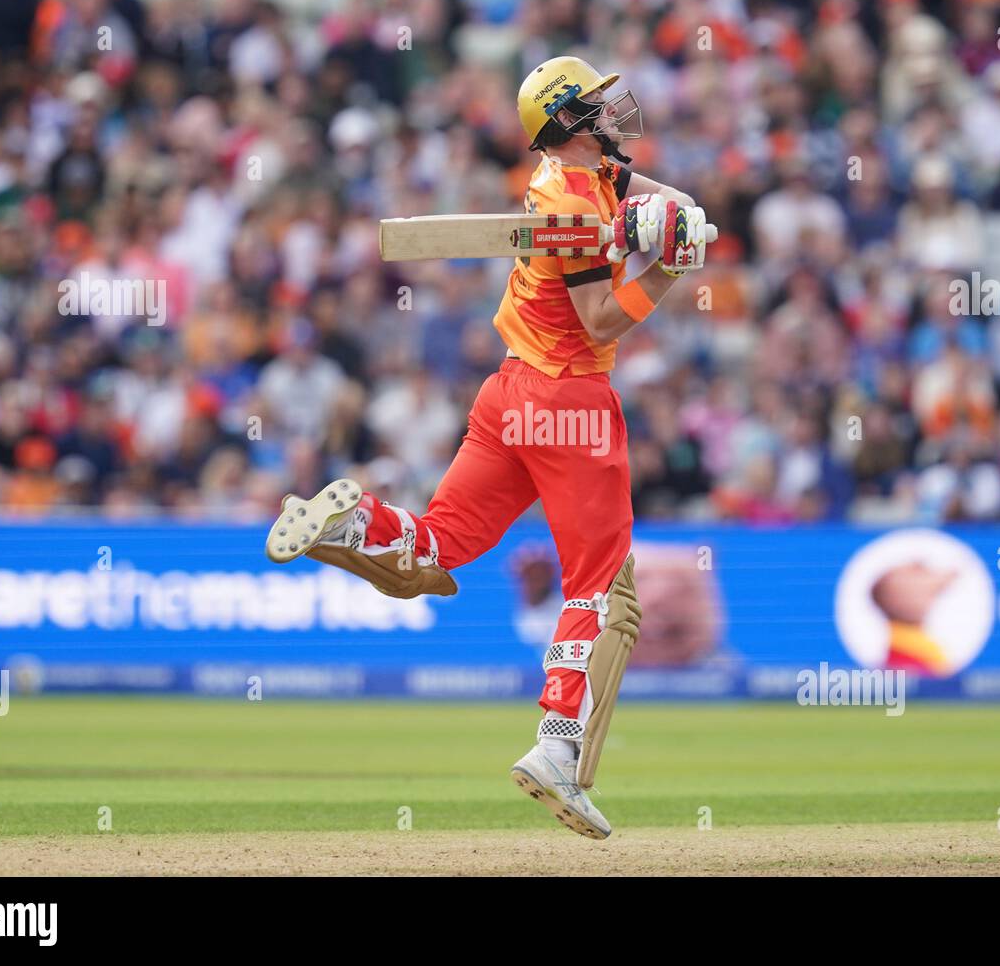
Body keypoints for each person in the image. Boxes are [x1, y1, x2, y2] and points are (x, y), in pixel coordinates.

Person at [265, 56, 709, 839]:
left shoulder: (580, 177)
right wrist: (668, 268)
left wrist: (666, 217)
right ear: (569, 123)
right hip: (572, 403)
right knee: (598, 589)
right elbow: (604, 320)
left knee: (442, 548)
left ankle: (356, 522)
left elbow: (652, 197)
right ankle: (558, 746)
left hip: (508, 396)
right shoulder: (565, 202)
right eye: (598, 107)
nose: (614, 114)